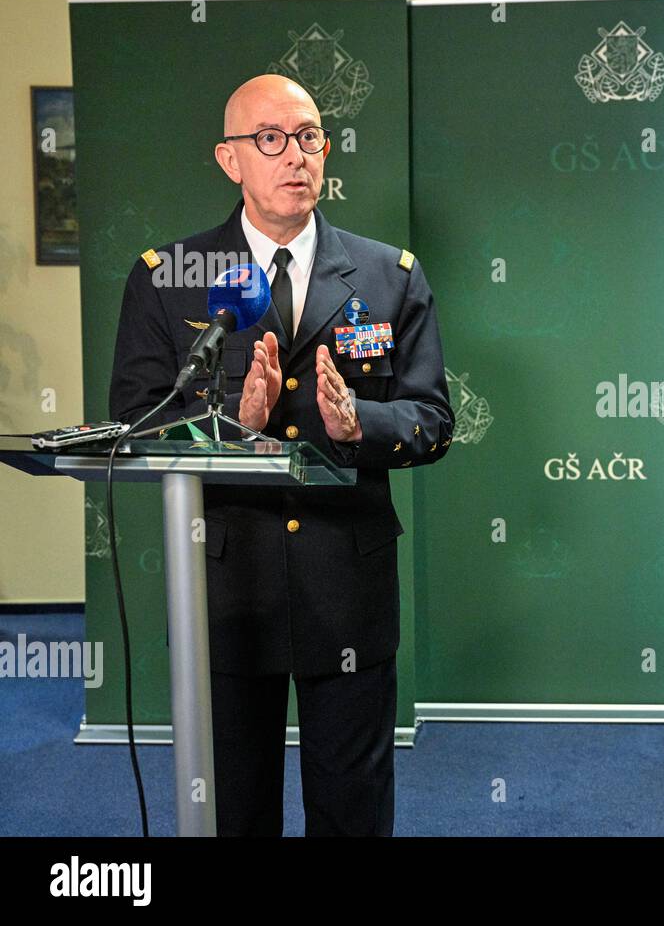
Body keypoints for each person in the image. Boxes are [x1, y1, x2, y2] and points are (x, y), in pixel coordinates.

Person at [109, 74, 454, 836]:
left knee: (352, 810)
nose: (294, 155)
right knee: (236, 808)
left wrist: (356, 418)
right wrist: (233, 420)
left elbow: (432, 419)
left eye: (308, 137)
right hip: (228, 586)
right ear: (230, 160)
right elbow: (133, 425)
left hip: (347, 582)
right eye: (270, 139)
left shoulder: (387, 276)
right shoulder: (169, 278)